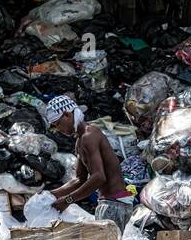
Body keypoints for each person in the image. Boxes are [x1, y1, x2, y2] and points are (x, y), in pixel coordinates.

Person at [44, 94, 137, 228]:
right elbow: (79, 179)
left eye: (58, 123)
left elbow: (99, 177)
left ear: (67, 115)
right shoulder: (79, 141)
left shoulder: (89, 136)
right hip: (108, 202)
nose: (59, 129)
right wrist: (49, 195)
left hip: (115, 203)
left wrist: (68, 199)